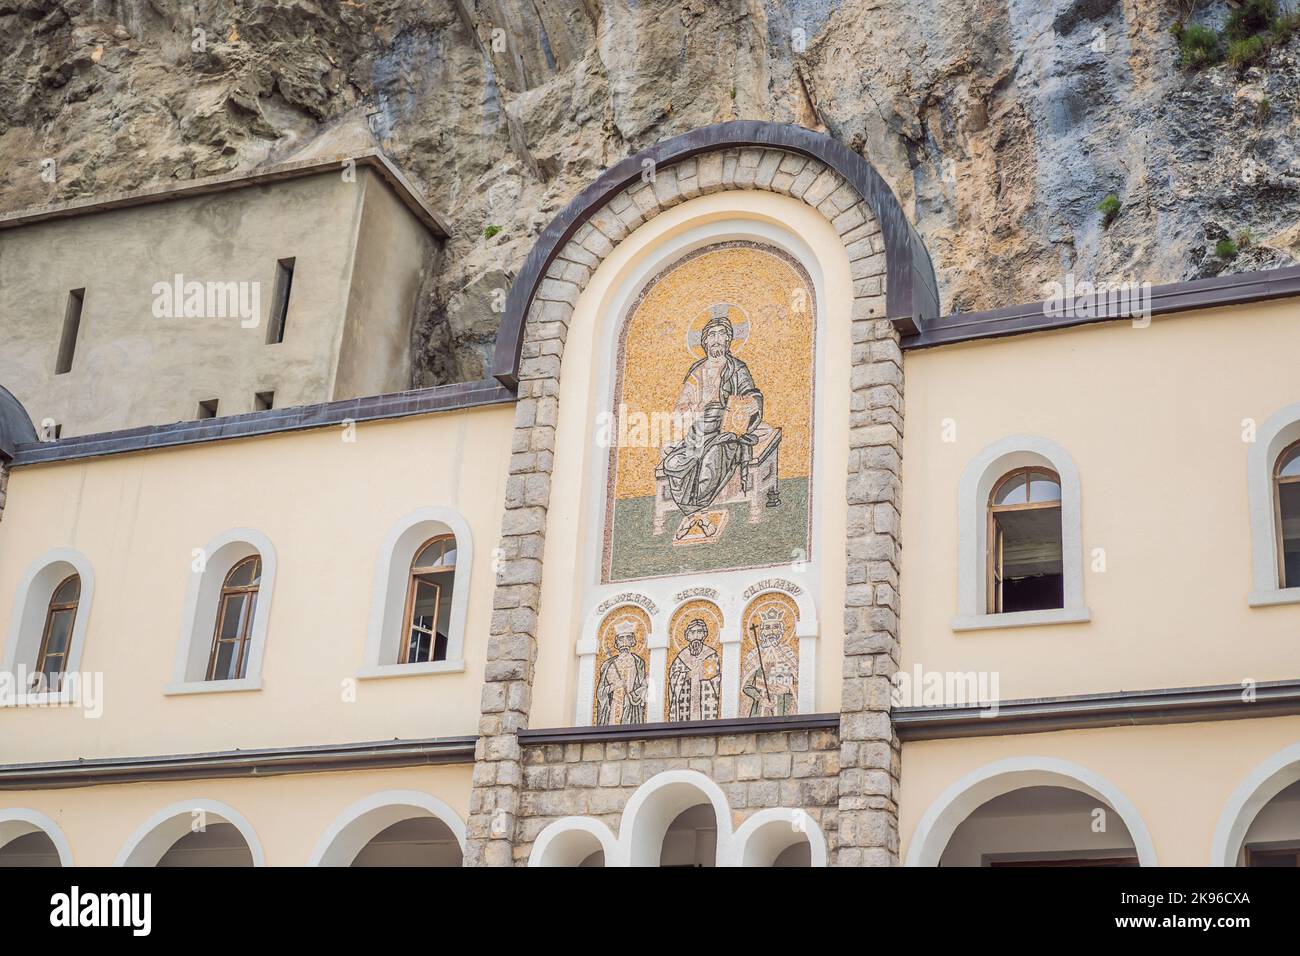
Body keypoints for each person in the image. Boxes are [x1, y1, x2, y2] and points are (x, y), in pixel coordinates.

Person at [595, 621, 648, 725]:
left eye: (628, 638)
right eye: (621, 638)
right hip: (613, 707)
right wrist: (613, 686)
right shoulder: (608, 664)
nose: (624, 642)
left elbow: (644, 685)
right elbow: (600, 692)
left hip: (631, 707)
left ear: (632, 641)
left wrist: (633, 694)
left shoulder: (638, 662)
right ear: (617, 643)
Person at [667, 618, 721, 721]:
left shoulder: (710, 654)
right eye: (693, 632)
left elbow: (715, 678)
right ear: (688, 636)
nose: (696, 635)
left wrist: (701, 673)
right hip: (685, 703)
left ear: (704, 635)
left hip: (705, 702)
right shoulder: (682, 656)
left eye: (699, 631)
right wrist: (686, 675)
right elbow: (673, 677)